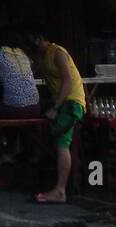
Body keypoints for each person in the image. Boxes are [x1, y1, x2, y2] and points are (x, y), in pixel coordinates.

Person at [22, 25, 87, 204]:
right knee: (57, 141)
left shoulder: (57, 52)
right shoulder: (42, 57)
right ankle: (59, 187)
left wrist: (56, 107)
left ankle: (60, 191)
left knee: (62, 144)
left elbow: (67, 81)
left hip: (71, 101)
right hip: (63, 102)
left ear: (41, 38)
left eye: (34, 40)